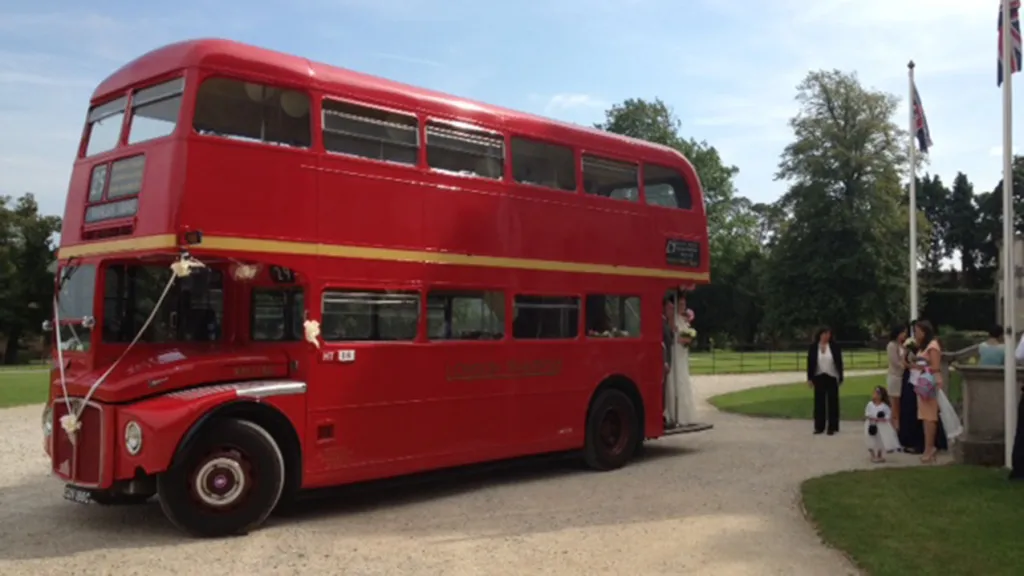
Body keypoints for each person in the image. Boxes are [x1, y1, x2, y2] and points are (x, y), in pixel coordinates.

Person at [663, 291, 698, 427]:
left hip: (682, 355)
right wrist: (684, 339)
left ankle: (686, 414)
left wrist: (689, 339)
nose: (683, 306)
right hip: (676, 353)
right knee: (677, 381)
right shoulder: (674, 319)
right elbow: (674, 336)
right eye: (681, 304)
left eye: (684, 304)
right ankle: (674, 413)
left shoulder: (684, 319)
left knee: (684, 381)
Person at [911, 320, 943, 463]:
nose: (916, 335)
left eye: (917, 331)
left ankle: (930, 448)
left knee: (930, 417)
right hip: (921, 382)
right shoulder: (924, 347)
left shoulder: (933, 346)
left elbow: (935, 367)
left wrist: (924, 368)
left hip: (928, 383)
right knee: (925, 416)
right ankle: (927, 447)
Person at [807, 327, 844, 435]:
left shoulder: (834, 347)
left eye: (828, 334)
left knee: (832, 402)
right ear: (820, 335)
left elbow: (839, 362)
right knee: (819, 403)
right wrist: (809, 378)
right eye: (825, 334)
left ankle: (832, 426)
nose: (827, 336)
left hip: (831, 376)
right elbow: (810, 363)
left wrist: (840, 376)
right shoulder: (814, 347)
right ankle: (819, 426)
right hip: (819, 376)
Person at [864, 386, 900, 462]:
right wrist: (870, 417)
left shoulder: (884, 406)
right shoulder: (870, 404)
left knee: (879, 440)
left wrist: (882, 418)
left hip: (881, 425)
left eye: (877, 394)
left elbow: (888, 415)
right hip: (871, 424)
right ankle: (873, 455)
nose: (875, 395)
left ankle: (879, 454)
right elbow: (867, 413)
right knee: (870, 439)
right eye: (874, 393)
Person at [885, 324, 908, 429]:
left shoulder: (902, 345)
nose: (905, 335)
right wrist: (906, 366)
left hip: (901, 377)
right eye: (903, 333)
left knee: (899, 406)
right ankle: (894, 429)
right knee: (894, 406)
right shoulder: (891, 345)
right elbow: (895, 362)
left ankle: (899, 428)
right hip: (895, 377)